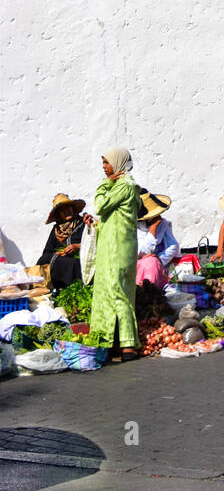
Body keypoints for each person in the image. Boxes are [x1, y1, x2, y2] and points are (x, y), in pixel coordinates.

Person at [87, 147, 141, 362]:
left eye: (107, 162)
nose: (104, 167)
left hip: (118, 249)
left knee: (118, 293)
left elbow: (101, 205)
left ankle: (128, 344)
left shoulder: (125, 185)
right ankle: (109, 341)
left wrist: (104, 185)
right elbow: (111, 219)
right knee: (107, 293)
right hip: (112, 247)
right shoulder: (119, 186)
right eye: (103, 162)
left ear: (118, 163)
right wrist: (96, 226)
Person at [38, 193, 87, 290]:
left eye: (68, 207)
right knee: (45, 260)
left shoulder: (83, 223)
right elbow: (46, 253)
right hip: (59, 264)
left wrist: (78, 246)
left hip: (79, 263)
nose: (66, 211)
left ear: (73, 208)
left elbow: (94, 243)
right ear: (58, 215)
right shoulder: (56, 230)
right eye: (62, 210)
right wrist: (56, 254)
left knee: (72, 263)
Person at [135, 192, 179, 288]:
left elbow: (173, 246)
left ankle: (153, 291)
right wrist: (153, 229)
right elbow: (142, 252)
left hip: (158, 266)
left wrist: (159, 258)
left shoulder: (164, 224)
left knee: (153, 262)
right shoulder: (134, 227)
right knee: (150, 262)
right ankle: (147, 291)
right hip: (136, 267)